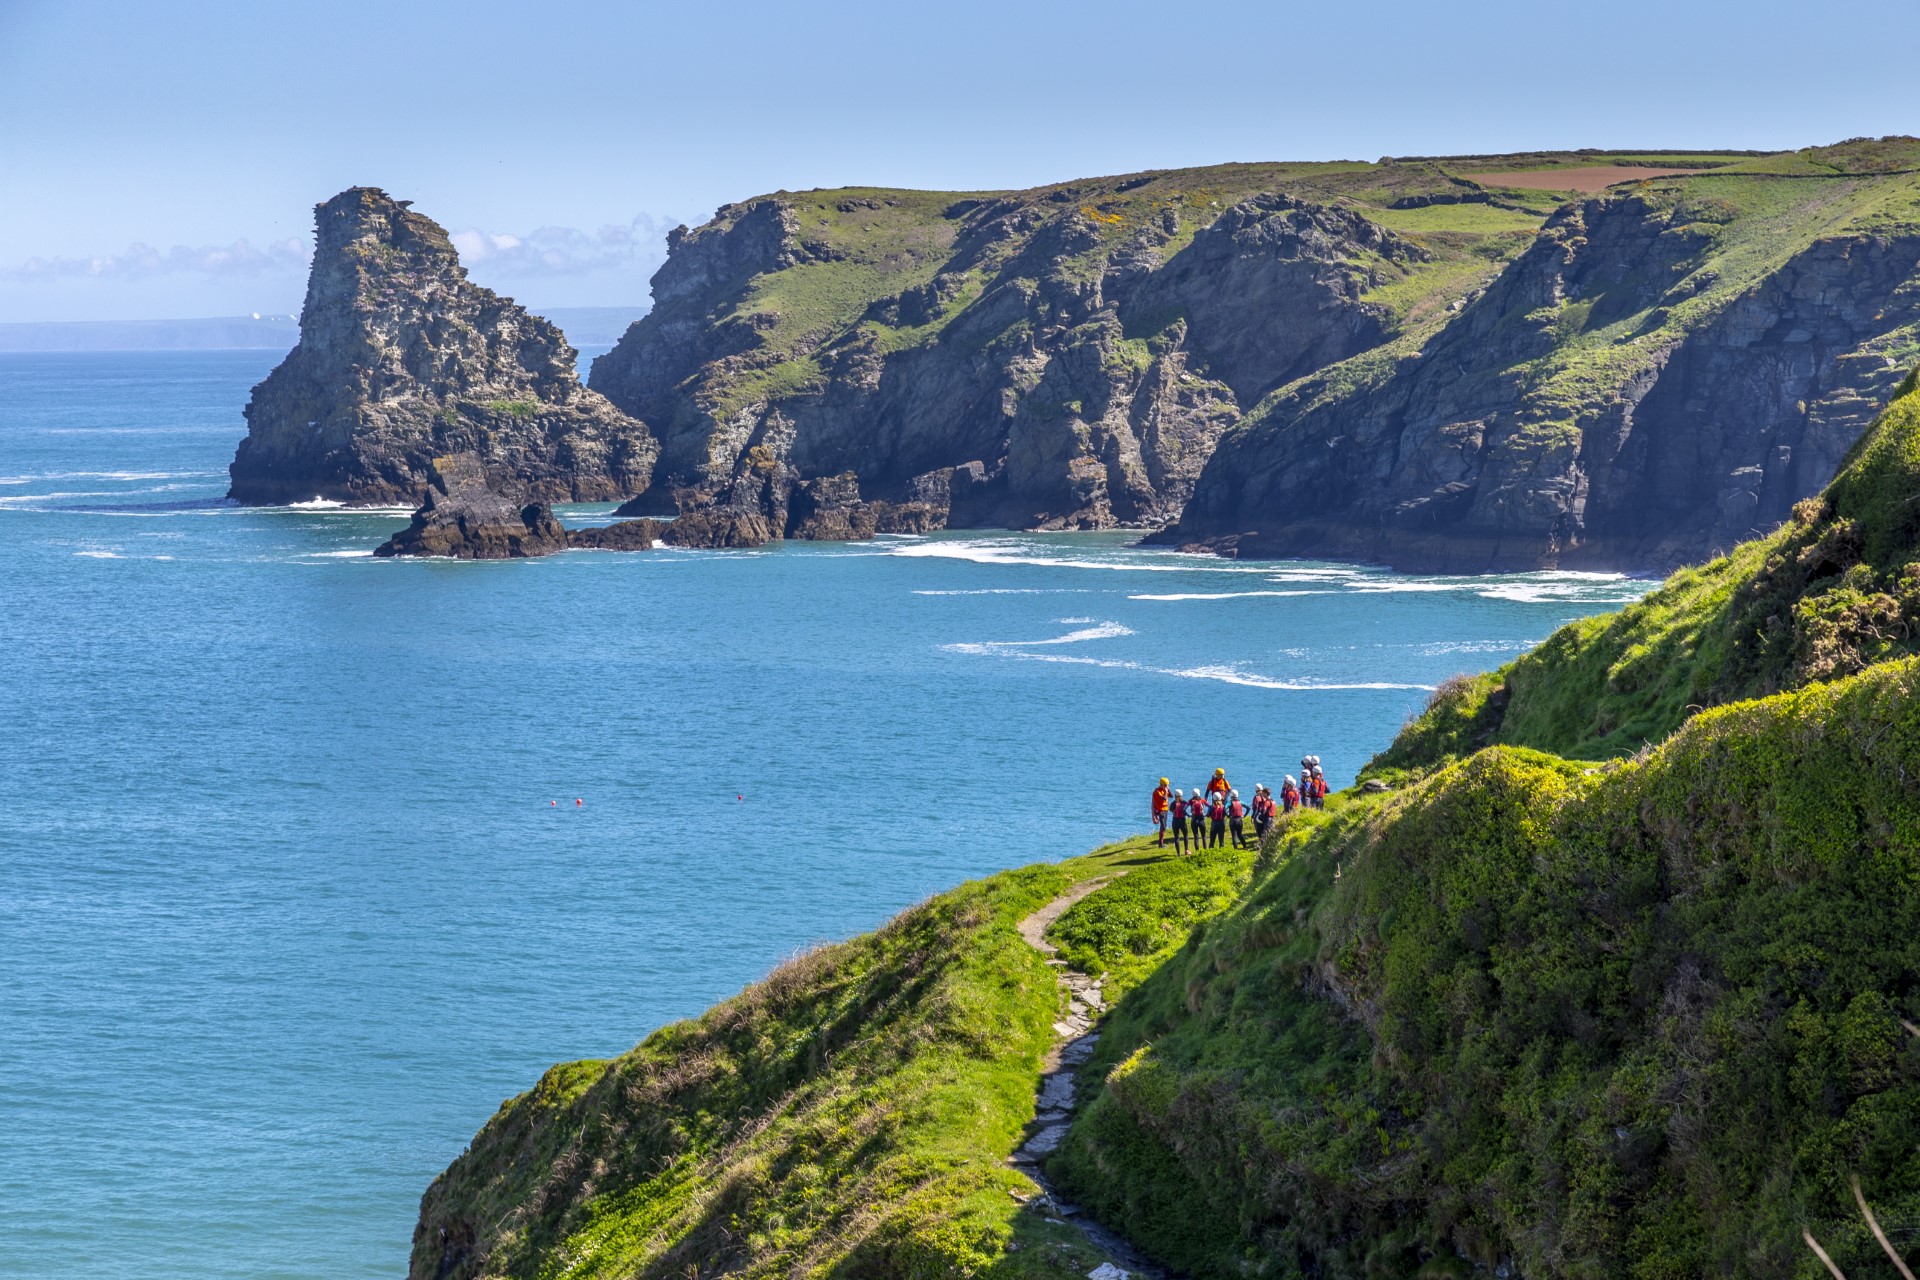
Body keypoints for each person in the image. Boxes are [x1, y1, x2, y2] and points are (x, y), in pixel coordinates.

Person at [1151, 777, 1171, 847]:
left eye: (1167, 785)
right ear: (1162, 784)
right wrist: (1166, 792)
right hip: (1160, 810)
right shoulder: (1157, 791)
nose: (1166, 786)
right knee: (1163, 825)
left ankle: (1161, 842)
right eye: (1165, 785)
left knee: (1164, 826)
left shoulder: (1164, 789)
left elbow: (1171, 796)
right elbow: (1164, 798)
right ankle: (1160, 843)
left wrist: (1168, 790)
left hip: (1165, 810)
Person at [1168, 789, 1189, 854]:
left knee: (1176, 837)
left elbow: (1171, 810)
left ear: (1175, 795)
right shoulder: (1184, 803)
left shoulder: (1173, 803)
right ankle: (1186, 850)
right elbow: (1186, 810)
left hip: (1175, 821)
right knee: (1185, 835)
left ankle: (1178, 854)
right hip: (1182, 820)